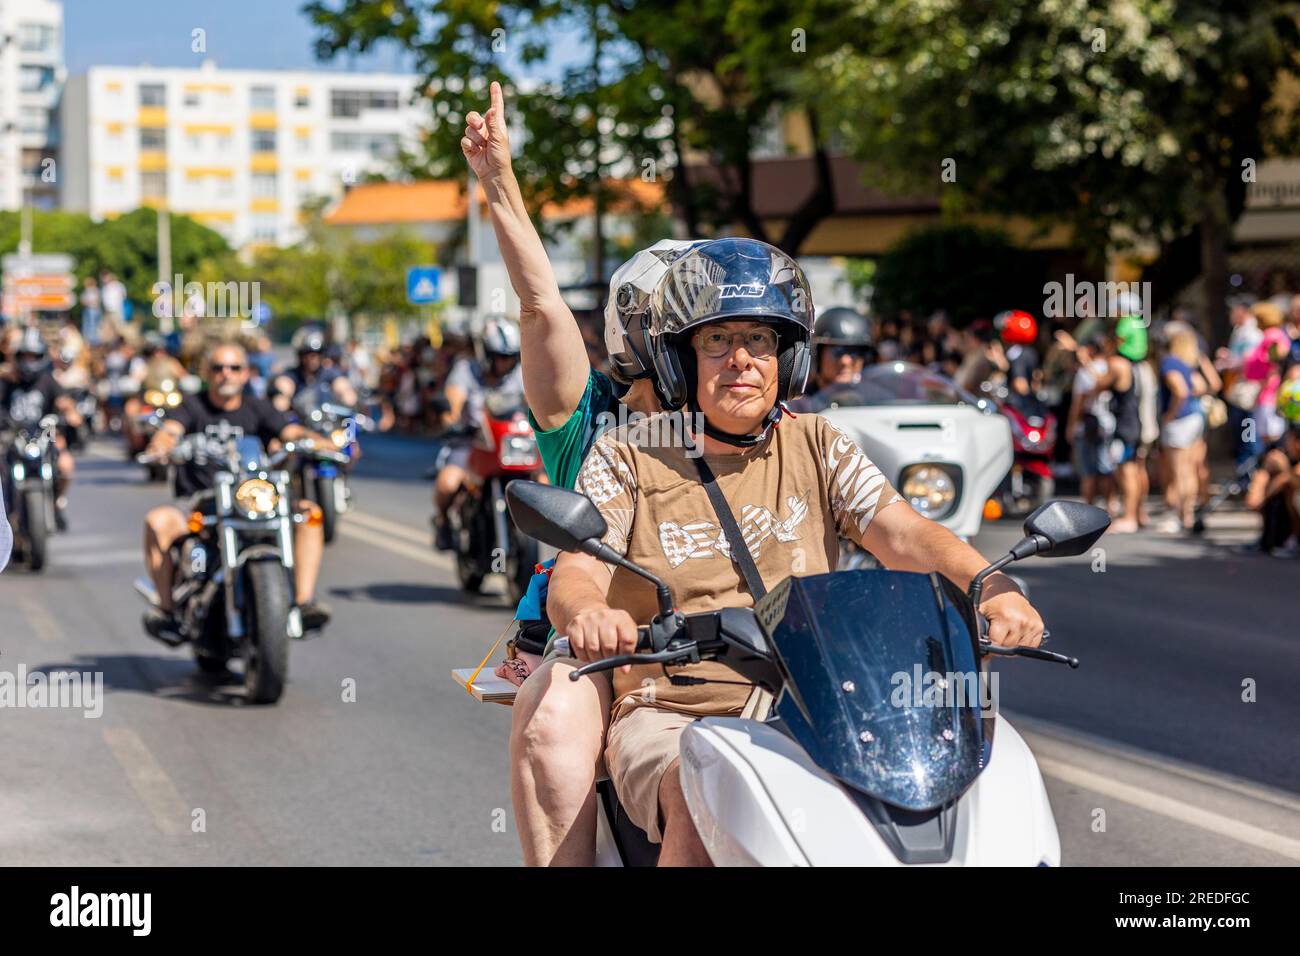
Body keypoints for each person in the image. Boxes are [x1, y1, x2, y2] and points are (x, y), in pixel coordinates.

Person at [547, 237, 1045, 865]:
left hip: (826, 703)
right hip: (679, 712)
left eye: (759, 341)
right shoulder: (628, 454)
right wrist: (592, 612)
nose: (742, 361)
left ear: (789, 357)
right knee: (707, 798)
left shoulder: (818, 442)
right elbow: (578, 570)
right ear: (678, 359)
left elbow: (904, 532)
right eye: (716, 341)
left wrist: (990, 586)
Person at [462, 81, 677, 866]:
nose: (729, 351)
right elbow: (540, 302)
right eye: (702, 331)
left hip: (749, 639)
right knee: (550, 721)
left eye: (744, 333)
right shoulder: (592, 419)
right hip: (609, 643)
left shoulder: (775, 425)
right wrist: (499, 183)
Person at [140, 342, 332, 641]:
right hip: (199, 502)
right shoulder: (193, 405)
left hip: (252, 497)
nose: (226, 374)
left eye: (234, 368)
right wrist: (163, 443)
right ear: (207, 373)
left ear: (246, 373)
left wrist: (317, 441)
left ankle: (303, 604)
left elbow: (289, 431)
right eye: (218, 368)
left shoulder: (258, 407)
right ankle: (167, 612)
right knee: (158, 521)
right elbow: (172, 429)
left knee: (310, 516)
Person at [430, 316, 526, 550]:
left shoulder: (521, 374)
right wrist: (450, 418)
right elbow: (453, 399)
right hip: (472, 443)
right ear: (485, 353)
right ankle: (442, 521)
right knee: (448, 484)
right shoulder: (466, 370)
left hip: (512, 445)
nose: (504, 363)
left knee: (545, 483)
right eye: (499, 357)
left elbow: (539, 404)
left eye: (510, 357)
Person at [0, 328, 81, 528]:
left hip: (44, 434)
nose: (29, 361)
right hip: (12, 436)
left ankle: (56, 502)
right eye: (25, 356)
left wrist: (69, 412)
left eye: (34, 356)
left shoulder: (47, 380)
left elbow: (63, 401)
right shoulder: (7, 380)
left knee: (66, 466)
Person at [1158, 329, 1208, 533]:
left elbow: (1181, 390)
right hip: (1193, 419)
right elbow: (1202, 385)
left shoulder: (1169, 362)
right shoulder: (1187, 365)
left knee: (1179, 472)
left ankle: (1182, 516)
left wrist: (1170, 413)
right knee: (1189, 471)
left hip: (1179, 421)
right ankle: (1188, 515)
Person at [789, 306, 874, 411]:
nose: (845, 361)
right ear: (818, 355)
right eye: (837, 351)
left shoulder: (876, 400)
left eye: (854, 352)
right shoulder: (799, 405)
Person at [272, 326, 358, 413]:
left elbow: (342, 386)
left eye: (317, 354)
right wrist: (283, 397)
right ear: (300, 355)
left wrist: (347, 396)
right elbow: (284, 388)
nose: (312, 358)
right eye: (307, 353)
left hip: (327, 422)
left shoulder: (329, 373)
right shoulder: (292, 374)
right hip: (299, 422)